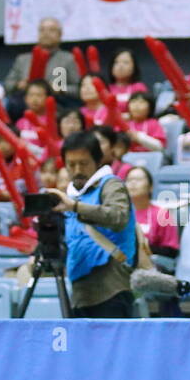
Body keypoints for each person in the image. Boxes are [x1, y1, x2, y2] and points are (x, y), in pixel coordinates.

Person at [46, 130, 139, 317]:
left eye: (84, 163)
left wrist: (76, 207)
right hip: (81, 290)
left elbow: (118, 217)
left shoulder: (111, 185)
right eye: (71, 164)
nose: (78, 170)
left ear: (97, 162)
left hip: (112, 288)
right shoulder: (71, 195)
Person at [5, 17, 79, 112]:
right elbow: (7, 85)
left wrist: (61, 88)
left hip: (57, 105)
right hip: (24, 105)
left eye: (51, 30)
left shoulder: (68, 59)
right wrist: (18, 85)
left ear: (60, 35)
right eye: (42, 30)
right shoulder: (23, 60)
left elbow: (78, 89)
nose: (46, 33)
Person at [125, 166, 179, 261]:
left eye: (138, 179)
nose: (133, 183)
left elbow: (171, 251)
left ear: (151, 187)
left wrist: (143, 248)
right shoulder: (120, 213)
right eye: (129, 180)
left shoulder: (161, 214)